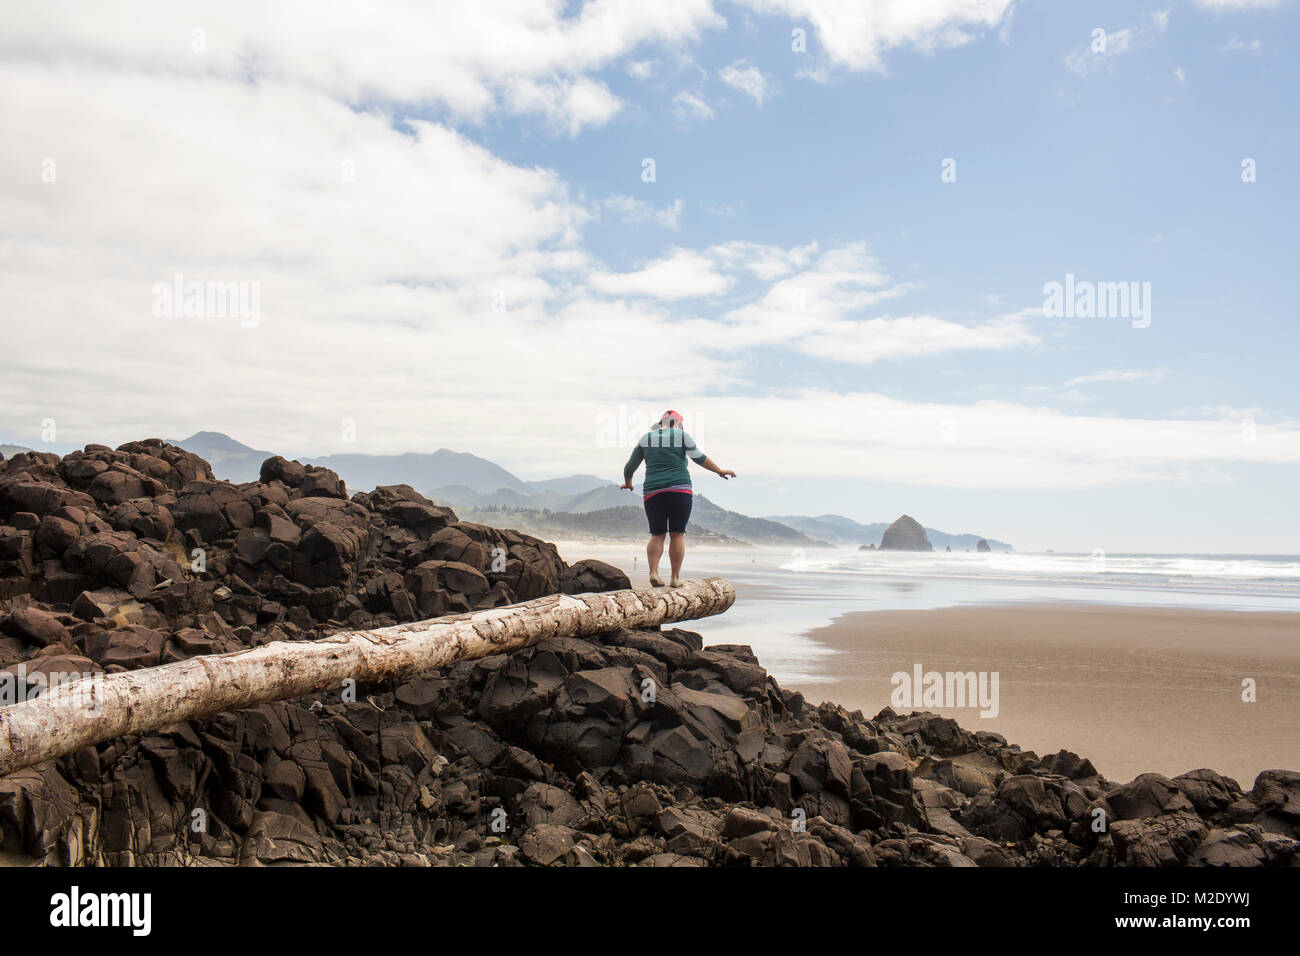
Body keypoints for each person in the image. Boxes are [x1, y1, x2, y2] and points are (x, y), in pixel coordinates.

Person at [621, 410, 735, 587]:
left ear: (661, 423)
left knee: (657, 535)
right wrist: (719, 470)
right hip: (679, 490)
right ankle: (675, 578)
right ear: (677, 424)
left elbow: (629, 467)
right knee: (677, 534)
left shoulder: (646, 438)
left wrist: (628, 483)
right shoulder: (681, 435)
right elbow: (699, 457)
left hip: (653, 492)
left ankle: (653, 573)